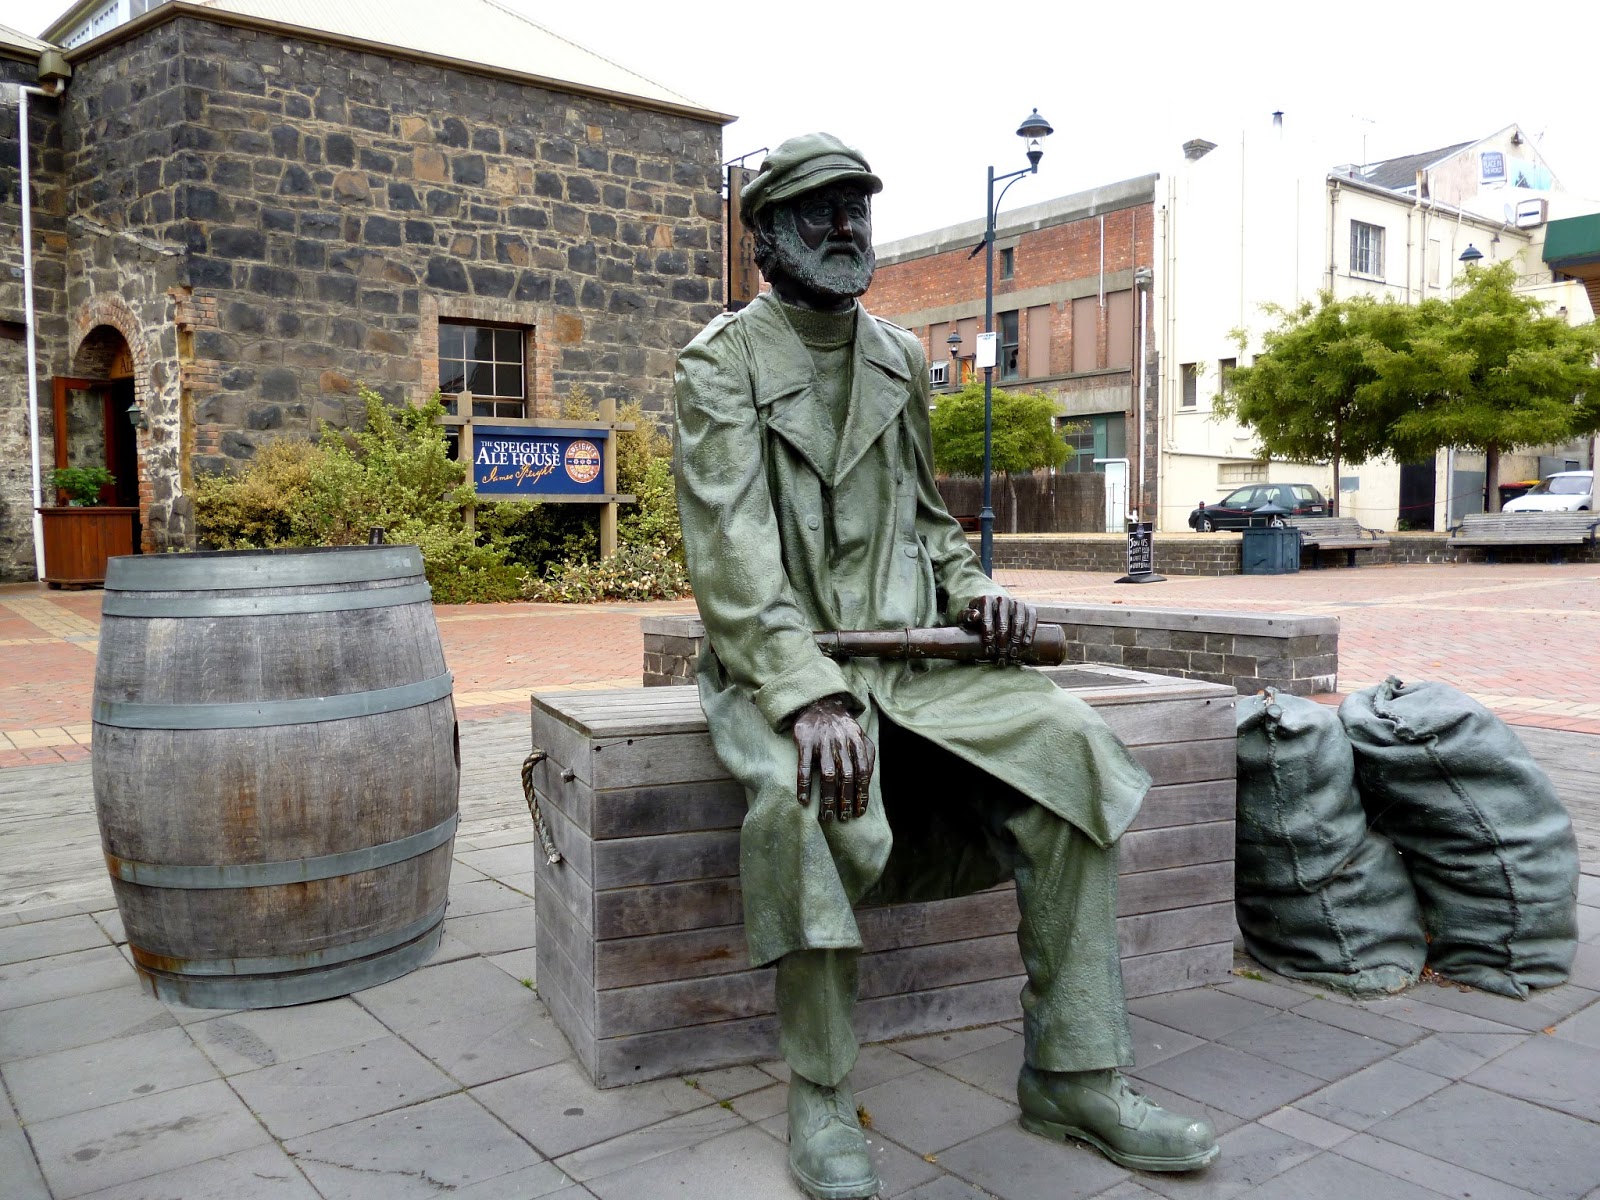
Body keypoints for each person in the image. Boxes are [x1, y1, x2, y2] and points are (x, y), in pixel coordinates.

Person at [673, 133, 1218, 1200]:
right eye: (821, 210)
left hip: (915, 661)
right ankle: (823, 1096)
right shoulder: (719, 363)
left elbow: (926, 525)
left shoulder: (892, 355)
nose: (844, 228)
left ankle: (1073, 1072)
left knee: (1070, 749)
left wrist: (976, 596)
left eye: (856, 210)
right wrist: (802, 692)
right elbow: (730, 554)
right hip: (787, 662)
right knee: (814, 803)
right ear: (766, 238)